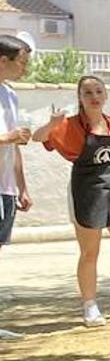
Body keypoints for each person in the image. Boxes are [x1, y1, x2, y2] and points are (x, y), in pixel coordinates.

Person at [33, 74, 110, 325]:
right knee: (90, 251)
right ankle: (90, 304)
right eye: (88, 93)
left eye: (98, 91)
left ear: (106, 95)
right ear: (80, 98)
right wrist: (52, 124)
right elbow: (38, 137)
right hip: (87, 188)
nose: (94, 97)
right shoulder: (69, 124)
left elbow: (109, 157)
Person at [0, 34, 33, 340]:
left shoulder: (10, 95)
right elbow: (8, 138)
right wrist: (9, 137)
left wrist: (22, 187)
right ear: (3, 61)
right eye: (21, 62)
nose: (25, 68)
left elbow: (15, 144)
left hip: (5, 187)